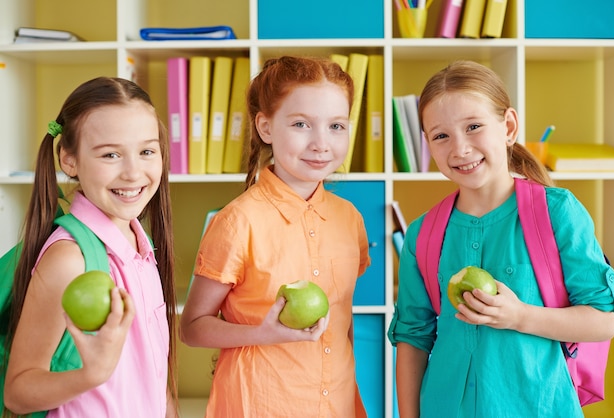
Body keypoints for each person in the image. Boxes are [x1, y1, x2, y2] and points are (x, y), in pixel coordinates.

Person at [388, 60, 614, 417]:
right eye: (441, 136)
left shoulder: (557, 212)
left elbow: (604, 321)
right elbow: (412, 339)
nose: (460, 148)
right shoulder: (423, 233)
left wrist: (519, 316)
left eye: (473, 126)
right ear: (428, 144)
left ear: (508, 126)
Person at [180, 56, 371, 417]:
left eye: (336, 126)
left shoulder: (349, 218)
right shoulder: (237, 221)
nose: (321, 143)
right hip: (261, 404)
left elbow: (342, 318)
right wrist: (264, 333)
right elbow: (191, 328)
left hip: (337, 404)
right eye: (301, 124)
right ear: (266, 128)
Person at [3, 77, 178, 417]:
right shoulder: (70, 259)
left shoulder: (142, 246)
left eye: (146, 151)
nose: (133, 173)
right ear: (69, 161)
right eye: (111, 154)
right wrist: (91, 375)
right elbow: (18, 393)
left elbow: (154, 378)